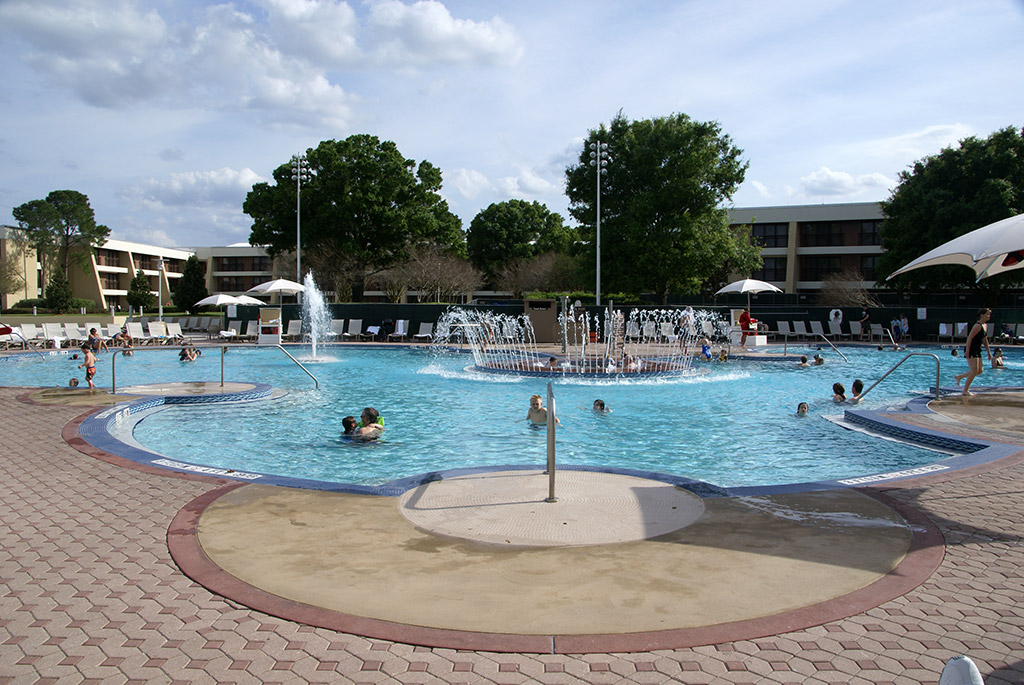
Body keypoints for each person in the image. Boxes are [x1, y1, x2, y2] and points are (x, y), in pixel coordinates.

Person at [954, 308, 992, 396]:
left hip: (978, 349)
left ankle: (960, 377)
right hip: (971, 349)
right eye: (987, 314)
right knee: (974, 371)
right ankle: (965, 390)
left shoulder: (985, 326)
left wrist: (989, 352)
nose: (989, 316)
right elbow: (969, 338)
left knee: (980, 371)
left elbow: (985, 340)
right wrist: (967, 351)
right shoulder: (977, 326)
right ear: (982, 315)